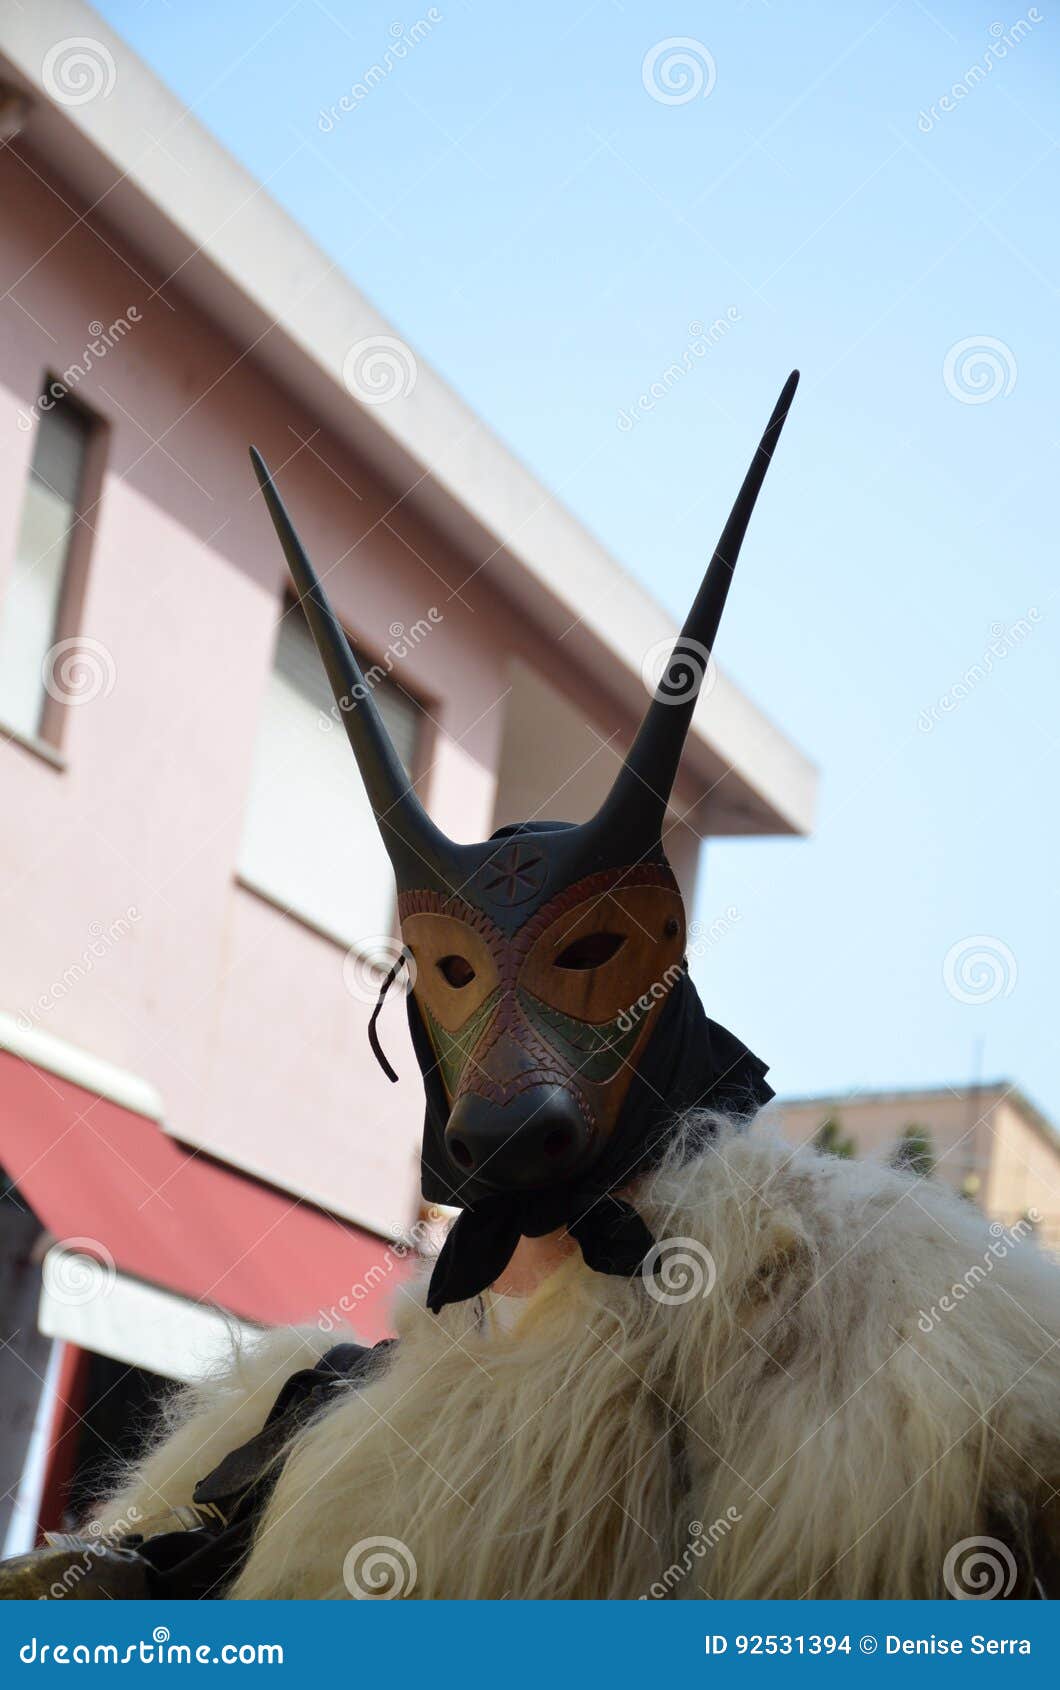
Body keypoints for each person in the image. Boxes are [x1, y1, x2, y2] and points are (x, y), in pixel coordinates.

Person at [2, 375, 1057, 1600]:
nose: (513, 1052)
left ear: (655, 967)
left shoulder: (862, 1342)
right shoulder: (313, 1430)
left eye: (586, 959)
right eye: (456, 972)